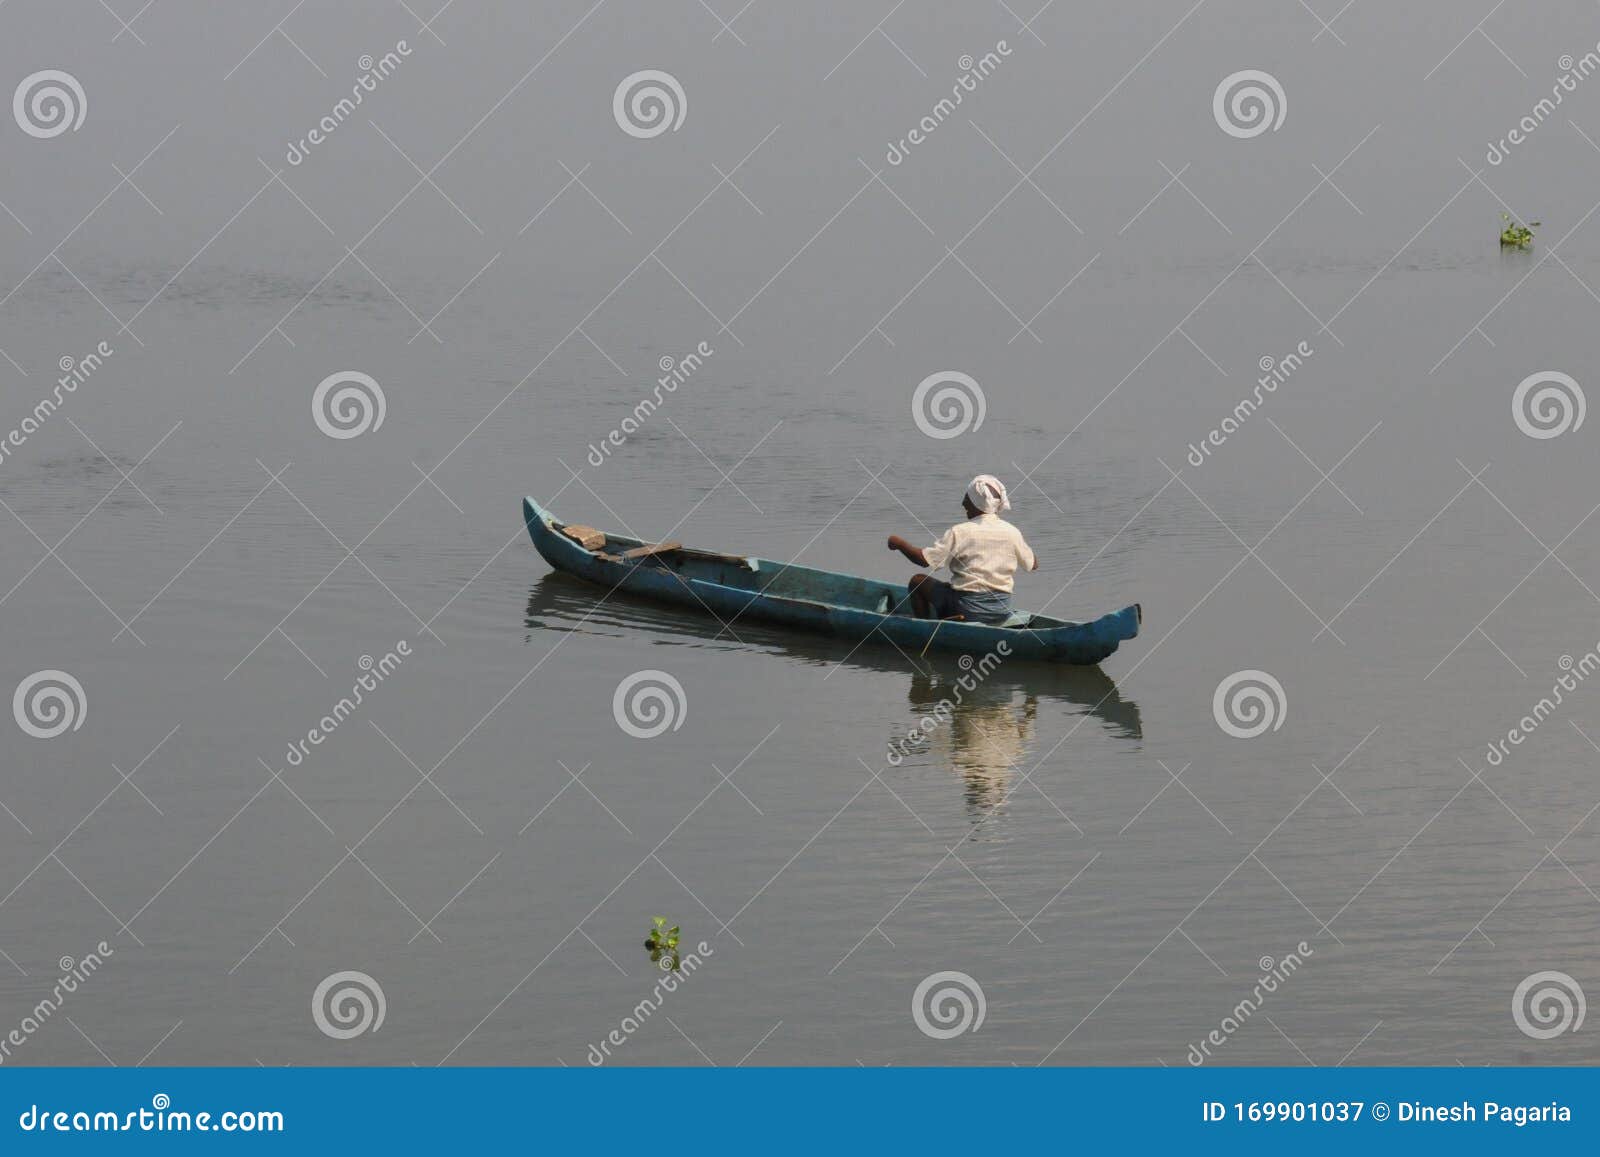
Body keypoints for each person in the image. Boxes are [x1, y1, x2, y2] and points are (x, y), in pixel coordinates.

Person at [886, 474, 1038, 624]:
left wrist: (899, 544)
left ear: (975, 503)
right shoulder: (1012, 532)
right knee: (951, 586)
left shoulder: (960, 532)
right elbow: (1033, 565)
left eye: (967, 498)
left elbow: (925, 561)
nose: (963, 503)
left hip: (967, 610)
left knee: (917, 581)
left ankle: (924, 629)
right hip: (1000, 610)